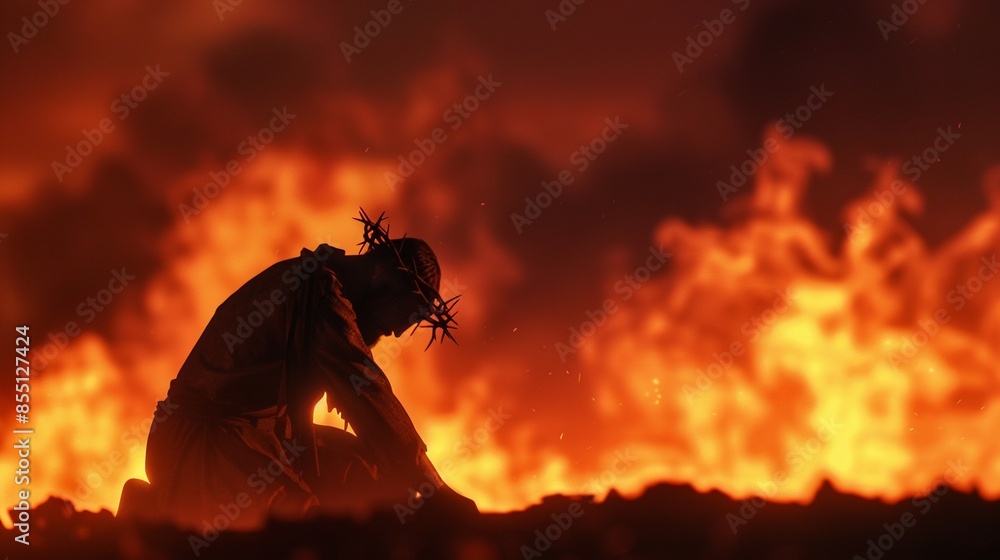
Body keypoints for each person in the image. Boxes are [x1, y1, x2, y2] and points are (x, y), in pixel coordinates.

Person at [119, 210, 475, 529]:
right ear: (383, 278)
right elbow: (365, 389)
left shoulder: (315, 285)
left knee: (365, 471)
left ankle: (157, 513)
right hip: (202, 445)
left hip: (241, 437)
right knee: (308, 525)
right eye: (406, 314)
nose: (397, 331)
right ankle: (152, 519)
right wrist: (435, 489)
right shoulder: (321, 296)